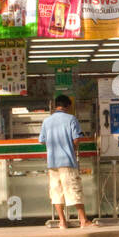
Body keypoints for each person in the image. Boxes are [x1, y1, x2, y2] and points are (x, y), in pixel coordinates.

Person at [39, 95, 91, 228]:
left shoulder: (47, 121)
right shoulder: (71, 119)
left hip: (52, 162)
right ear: (67, 106)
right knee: (74, 189)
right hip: (67, 161)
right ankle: (83, 220)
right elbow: (76, 139)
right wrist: (71, 149)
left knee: (56, 192)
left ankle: (62, 222)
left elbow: (43, 140)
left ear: (56, 106)